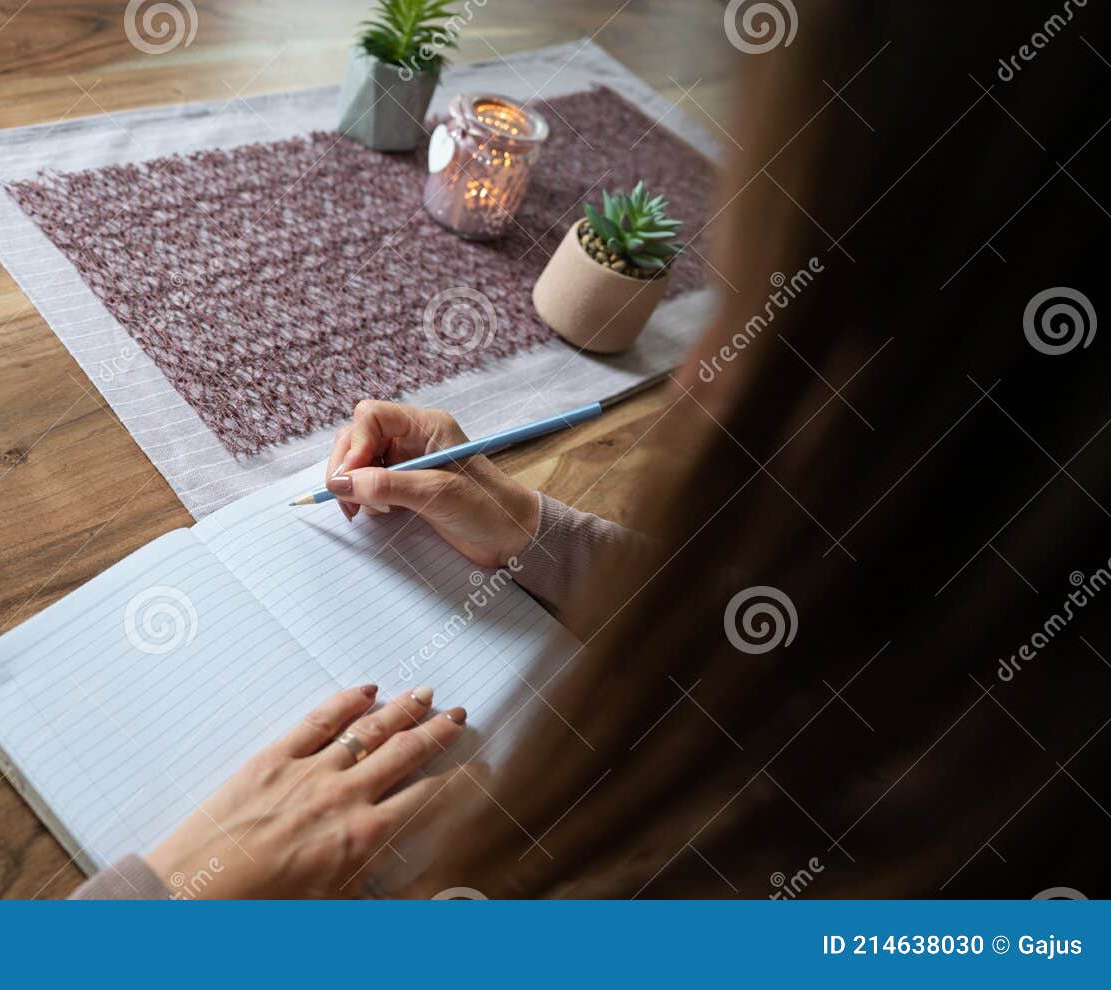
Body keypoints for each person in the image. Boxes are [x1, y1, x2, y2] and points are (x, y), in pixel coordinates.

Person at [74, 2, 1111, 898]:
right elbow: (823, 646)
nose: (696, 378)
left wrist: (167, 903)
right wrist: (532, 528)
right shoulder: (977, 694)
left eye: (787, 336)